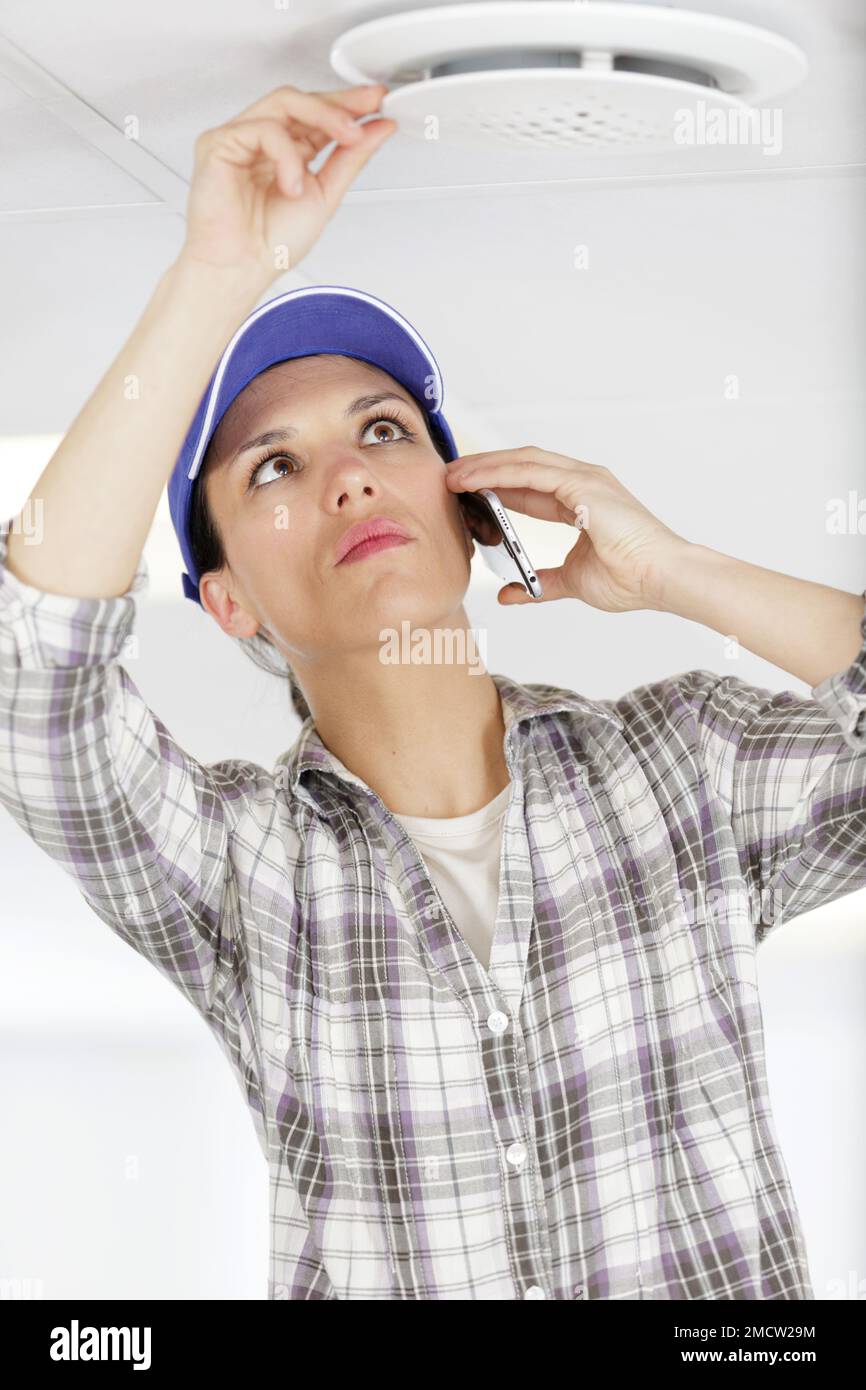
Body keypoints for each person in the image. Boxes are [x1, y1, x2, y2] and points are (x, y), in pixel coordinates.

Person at [1, 82, 864, 1303]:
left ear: (466, 514)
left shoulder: (687, 764)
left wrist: (681, 572)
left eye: (384, 432)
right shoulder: (240, 867)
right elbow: (34, 674)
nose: (349, 479)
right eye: (275, 468)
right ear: (228, 599)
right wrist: (214, 270)